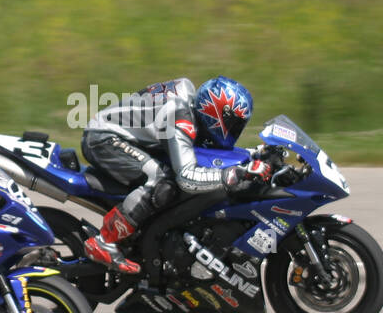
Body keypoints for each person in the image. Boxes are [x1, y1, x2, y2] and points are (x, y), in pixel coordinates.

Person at [79, 76, 271, 273]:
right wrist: (229, 175)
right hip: (104, 139)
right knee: (162, 181)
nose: (234, 131)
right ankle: (104, 241)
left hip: (128, 138)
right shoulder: (180, 117)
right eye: (233, 124)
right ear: (215, 114)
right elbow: (187, 177)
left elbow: (210, 152)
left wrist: (253, 154)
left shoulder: (190, 110)